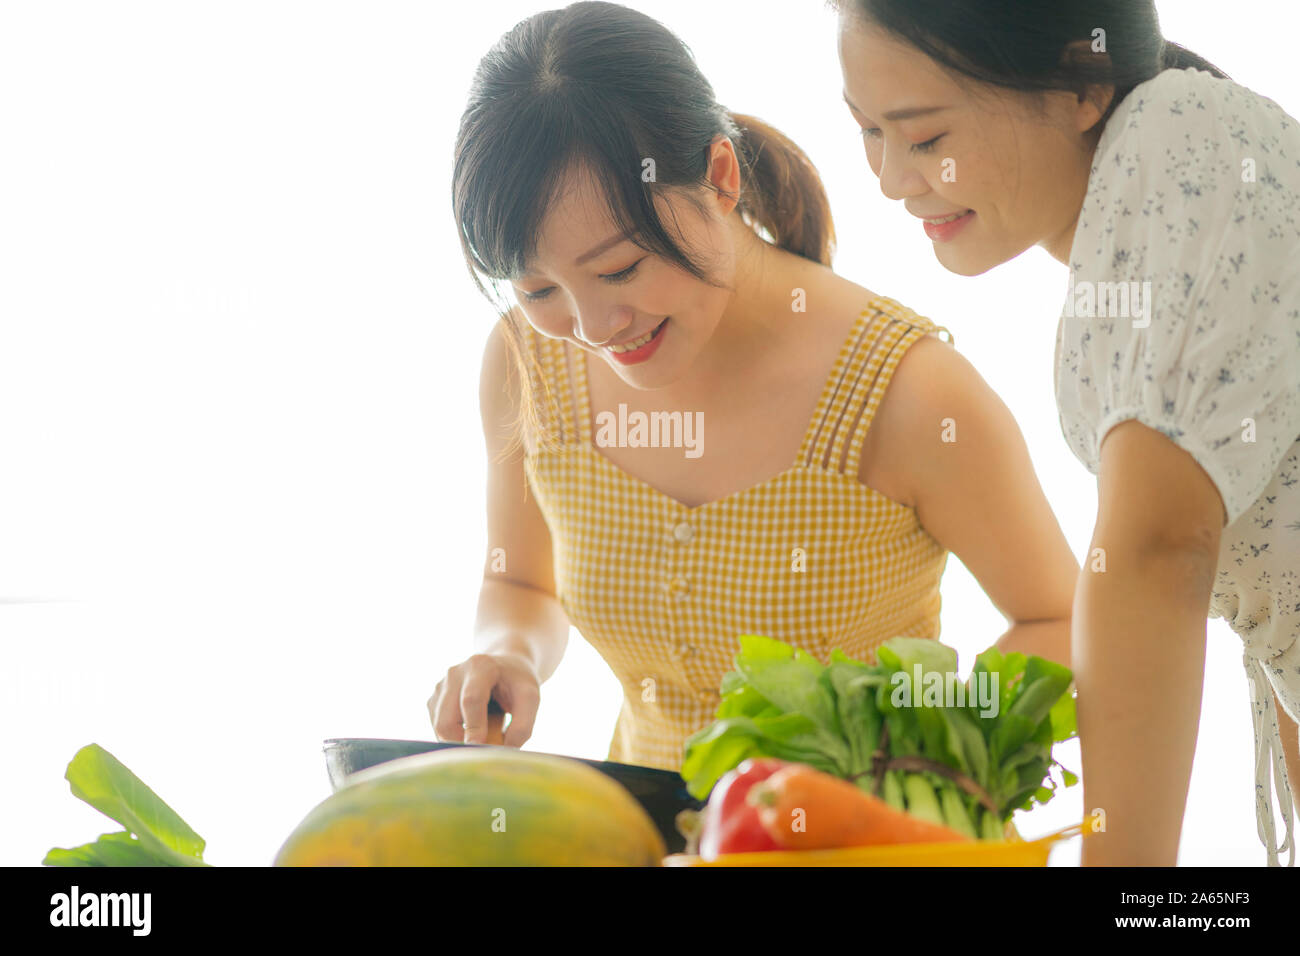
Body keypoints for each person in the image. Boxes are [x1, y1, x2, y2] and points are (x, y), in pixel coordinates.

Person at [430, 0, 1078, 776]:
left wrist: (921, 740)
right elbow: (517, 579)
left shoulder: (910, 393)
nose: (594, 326)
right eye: (539, 289)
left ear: (720, 177)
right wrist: (508, 655)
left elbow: (1066, 621)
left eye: (619, 269)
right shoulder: (527, 363)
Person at [832, 0, 1300, 866]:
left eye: (926, 138)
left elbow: (1162, 554)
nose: (893, 179)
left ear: (1083, 86)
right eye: (867, 131)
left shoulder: (1178, 132)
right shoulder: (1141, 211)